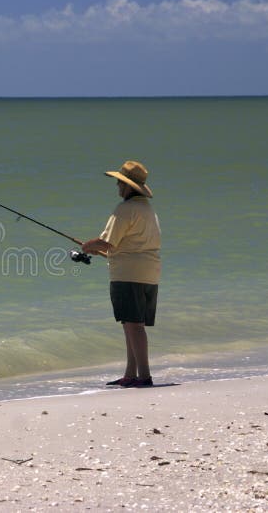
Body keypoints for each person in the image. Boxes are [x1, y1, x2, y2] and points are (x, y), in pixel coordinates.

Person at [81, 160, 161, 388]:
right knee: (131, 323)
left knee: (133, 325)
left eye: (120, 182)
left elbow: (106, 243)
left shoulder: (124, 209)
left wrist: (87, 247)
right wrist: (102, 250)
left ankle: (143, 375)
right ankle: (130, 374)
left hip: (128, 275)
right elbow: (130, 245)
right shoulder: (148, 209)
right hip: (150, 273)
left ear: (128, 187)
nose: (117, 186)